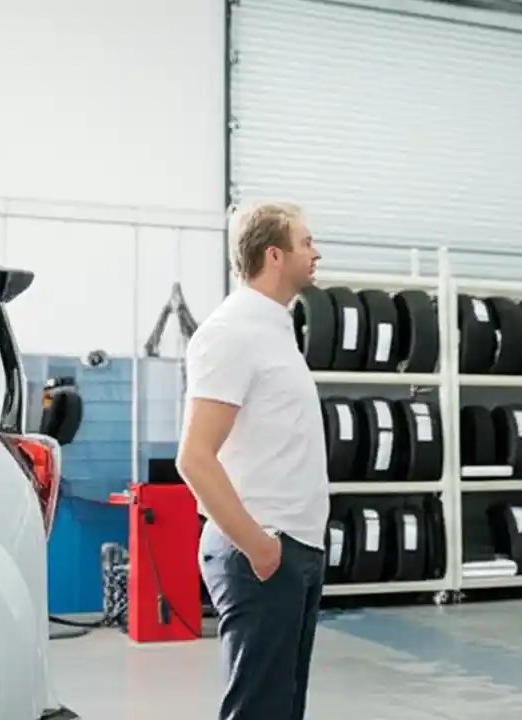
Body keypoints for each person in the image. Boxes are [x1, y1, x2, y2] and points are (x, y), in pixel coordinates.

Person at [176, 200, 328, 720]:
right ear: (274, 255)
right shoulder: (231, 332)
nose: (316, 252)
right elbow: (195, 458)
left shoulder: (276, 328)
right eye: (306, 242)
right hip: (261, 552)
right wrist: (260, 548)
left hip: (296, 550)